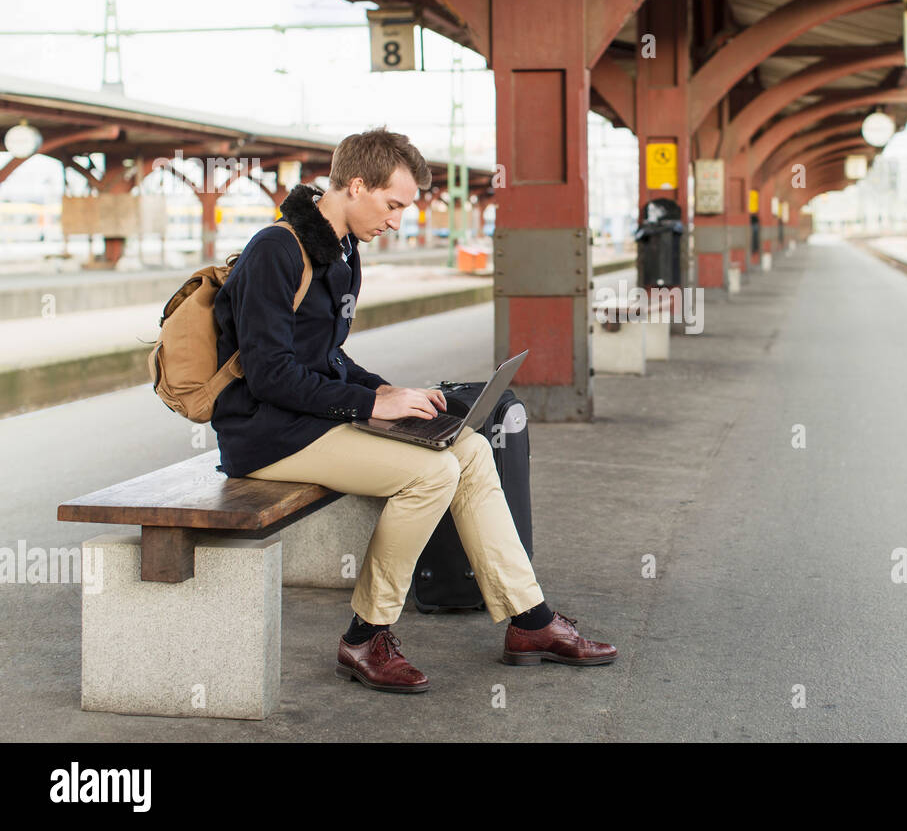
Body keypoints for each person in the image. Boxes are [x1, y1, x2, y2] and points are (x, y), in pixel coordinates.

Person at [210, 128, 615, 694]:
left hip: (312, 419)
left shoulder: (343, 252)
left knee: (469, 447)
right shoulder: (275, 252)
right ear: (355, 186)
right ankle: (364, 636)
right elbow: (269, 372)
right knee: (431, 474)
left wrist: (392, 392)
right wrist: (370, 402)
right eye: (393, 204)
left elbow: (326, 357)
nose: (397, 220)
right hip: (267, 435)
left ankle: (531, 622)